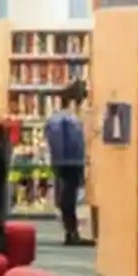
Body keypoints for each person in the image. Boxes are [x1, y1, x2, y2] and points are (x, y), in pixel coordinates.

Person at [45, 85, 92, 246]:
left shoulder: (55, 119)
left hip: (61, 162)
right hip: (72, 162)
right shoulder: (70, 121)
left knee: (66, 197)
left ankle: (70, 231)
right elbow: (75, 144)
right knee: (70, 198)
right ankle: (72, 232)